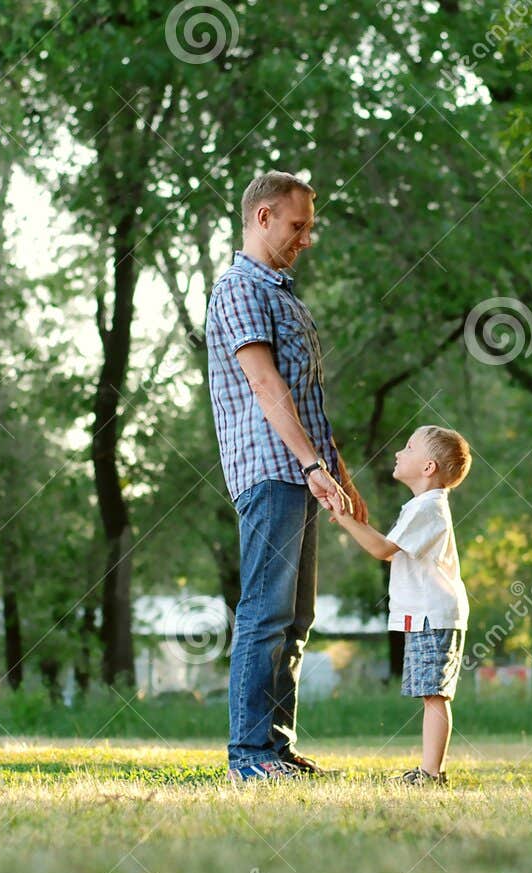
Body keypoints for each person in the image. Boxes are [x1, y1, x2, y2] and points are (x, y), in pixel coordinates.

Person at [205, 170, 366, 783]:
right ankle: (248, 757)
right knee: (265, 613)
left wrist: (338, 475)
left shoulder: (282, 293)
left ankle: (275, 748)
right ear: (263, 216)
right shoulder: (240, 288)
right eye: (298, 226)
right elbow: (267, 388)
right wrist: (310, 464)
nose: (306, 239)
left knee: (295, 619)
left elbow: (306, 397)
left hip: (301, 470)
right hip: (271, 469)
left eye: (310, 228)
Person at [331, 425, 471, 785]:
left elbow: (381, 551)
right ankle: (429, 771)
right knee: (430, 694)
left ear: (428, 468)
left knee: (434, 695)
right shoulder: (420, 508)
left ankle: (430, 773)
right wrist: (353, 520)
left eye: (408, 448)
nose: (398, 452)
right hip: (426, 615)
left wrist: (345, 519)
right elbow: (395, 555)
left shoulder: (428, 508)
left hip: (434, 615)